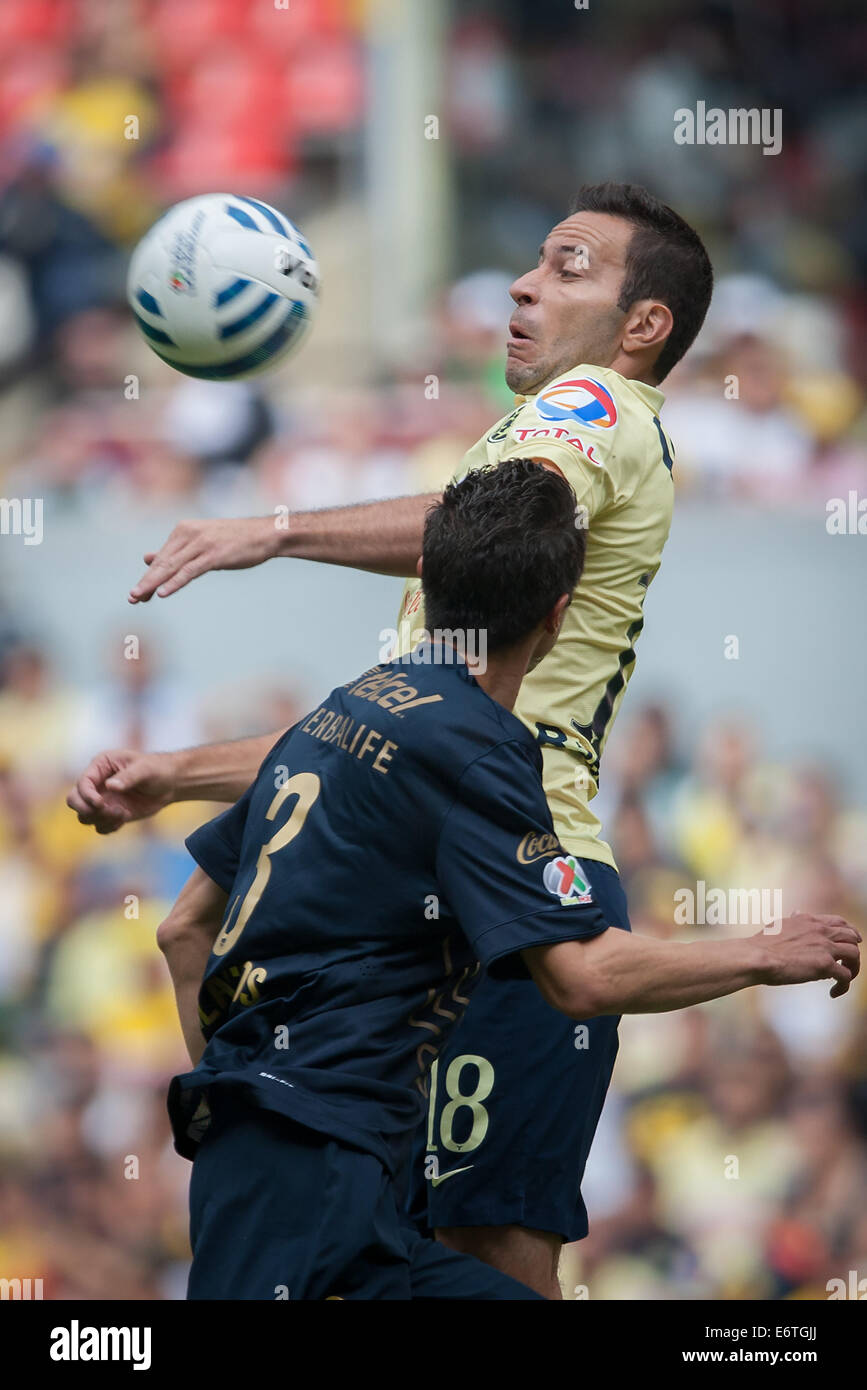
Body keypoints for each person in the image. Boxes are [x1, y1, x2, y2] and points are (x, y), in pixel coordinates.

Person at [71, 182, 714, 1296]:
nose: (523, 282)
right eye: (537, 258)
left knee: (488, 1253)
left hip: (507, 871)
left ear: (642, 325)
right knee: (193, 930)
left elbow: (475, 527)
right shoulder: (531, 439)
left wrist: (271, 527)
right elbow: (374, 731)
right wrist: (178, 773)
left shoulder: (600, 410)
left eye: (569, 267)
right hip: (413, 868)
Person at [156, 460, 860, 1300]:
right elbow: (582, 975)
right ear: (558, 616)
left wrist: (235, 1099)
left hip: (308, 1168)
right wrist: (764, 952)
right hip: (313, 1160)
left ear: (429, 580)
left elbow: (182, 929)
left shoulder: (345, 704)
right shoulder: (478, 750)